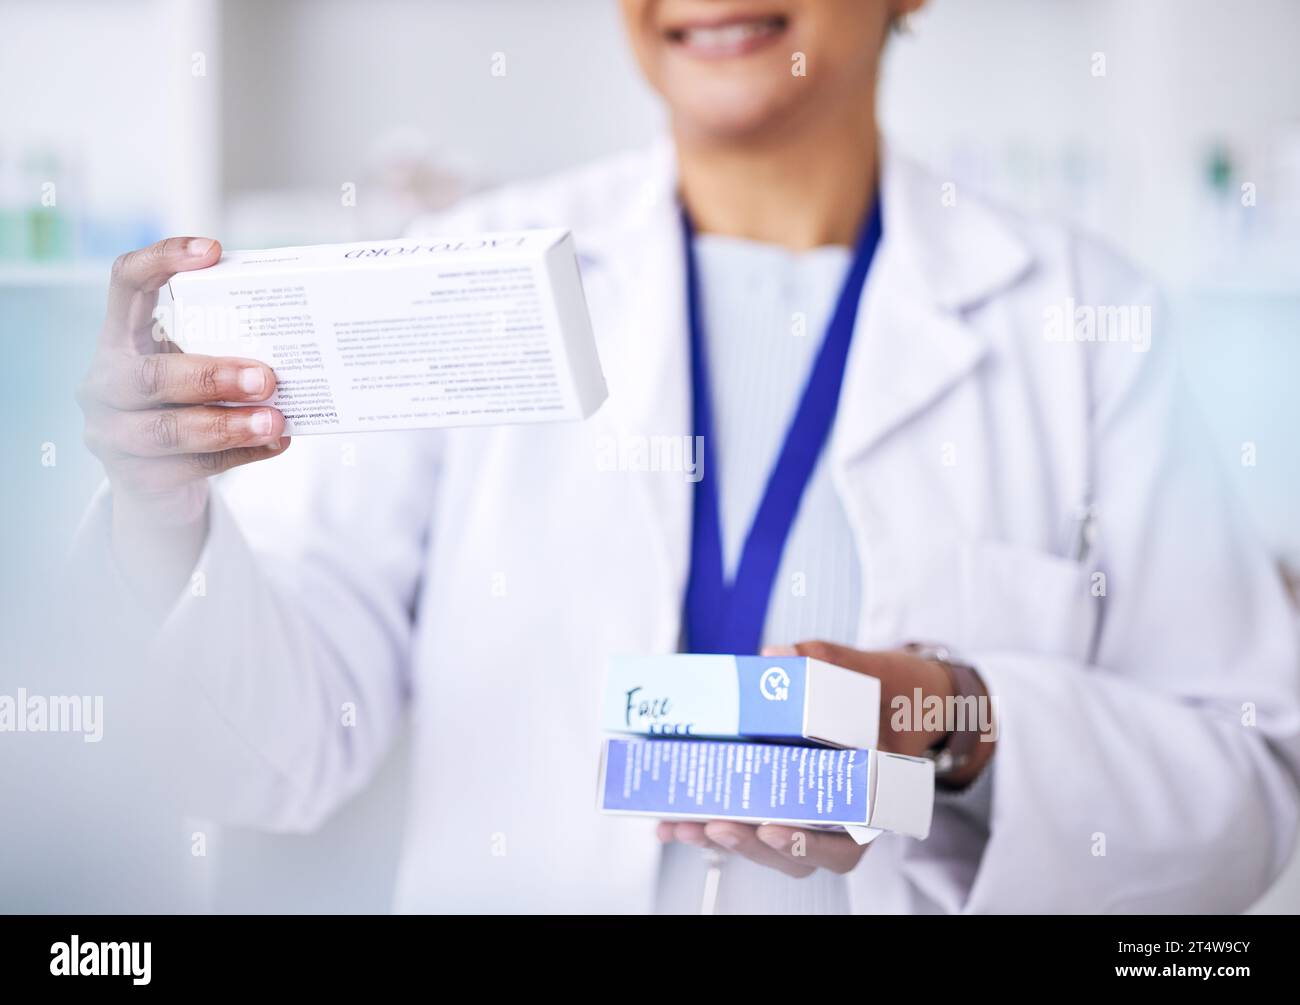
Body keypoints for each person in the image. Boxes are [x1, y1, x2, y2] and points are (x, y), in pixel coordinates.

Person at [75, 0, 1299, 913]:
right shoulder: (462, 272)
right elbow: (282, 752)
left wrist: (955, 720)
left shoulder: (1087, 320)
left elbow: (1245, 796)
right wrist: (165, 525)